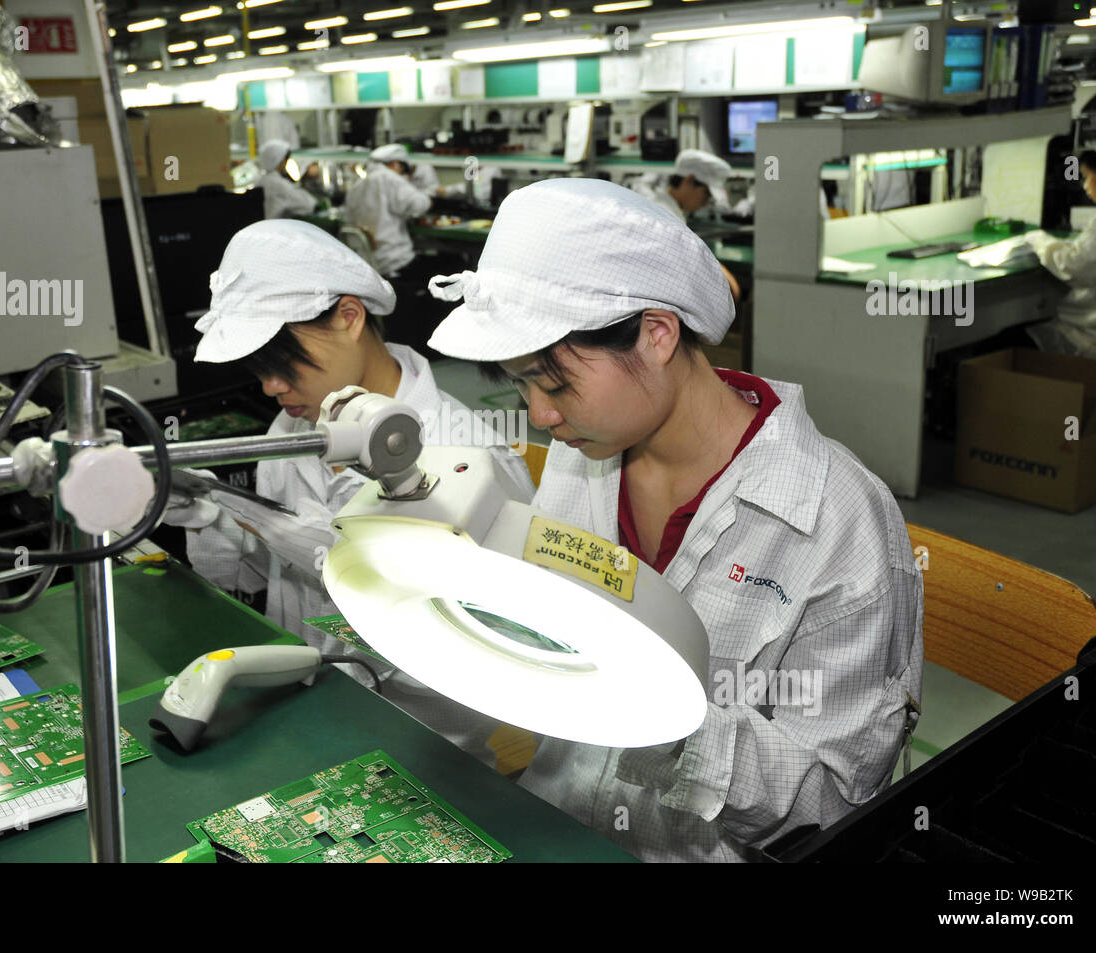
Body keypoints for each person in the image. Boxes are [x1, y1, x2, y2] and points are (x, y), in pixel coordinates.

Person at [425, 177, 923, 862]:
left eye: (555, 380)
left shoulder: (837, 521)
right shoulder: (581, 456)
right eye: (520, 383)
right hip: (556, 825)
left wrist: (671, 724)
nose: (539, 415)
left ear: (657, 334)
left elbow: (833, 805)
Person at [167, 218, 535, 764]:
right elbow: (245, 579)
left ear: (348, 317)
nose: (271, 386)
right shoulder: (290, 430)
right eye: (259, 368)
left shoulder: (472, 461)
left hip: (423, 751)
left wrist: (342, 565)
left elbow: (496, 661)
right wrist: (209, 517)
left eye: (283, 362)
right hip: (294, 719)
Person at [1023, 133, 1096, 362]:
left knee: (1000, 346)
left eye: (1087, 177)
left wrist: (1040, 241)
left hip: (1093, 334)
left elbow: (1077, 265)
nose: (1085, 186)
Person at [630, 149, 742, 302]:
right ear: (689, 180)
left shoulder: (665, 206)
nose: (707, 202)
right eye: (706, 194)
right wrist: (725, 278)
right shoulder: (666, 216)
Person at [344, 143, 432, 279]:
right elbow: (419, 205)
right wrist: (428, 196)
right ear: (396, 164)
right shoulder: (388, 177)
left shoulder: (358, 184)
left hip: (367, 263)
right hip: (394, 262)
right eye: (402, 170)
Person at [256, 139, 317, 221]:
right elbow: (308, 206)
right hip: (276, 229)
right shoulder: (279, 184)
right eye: (285, 159)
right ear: (280, 160)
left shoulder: (260, 180)